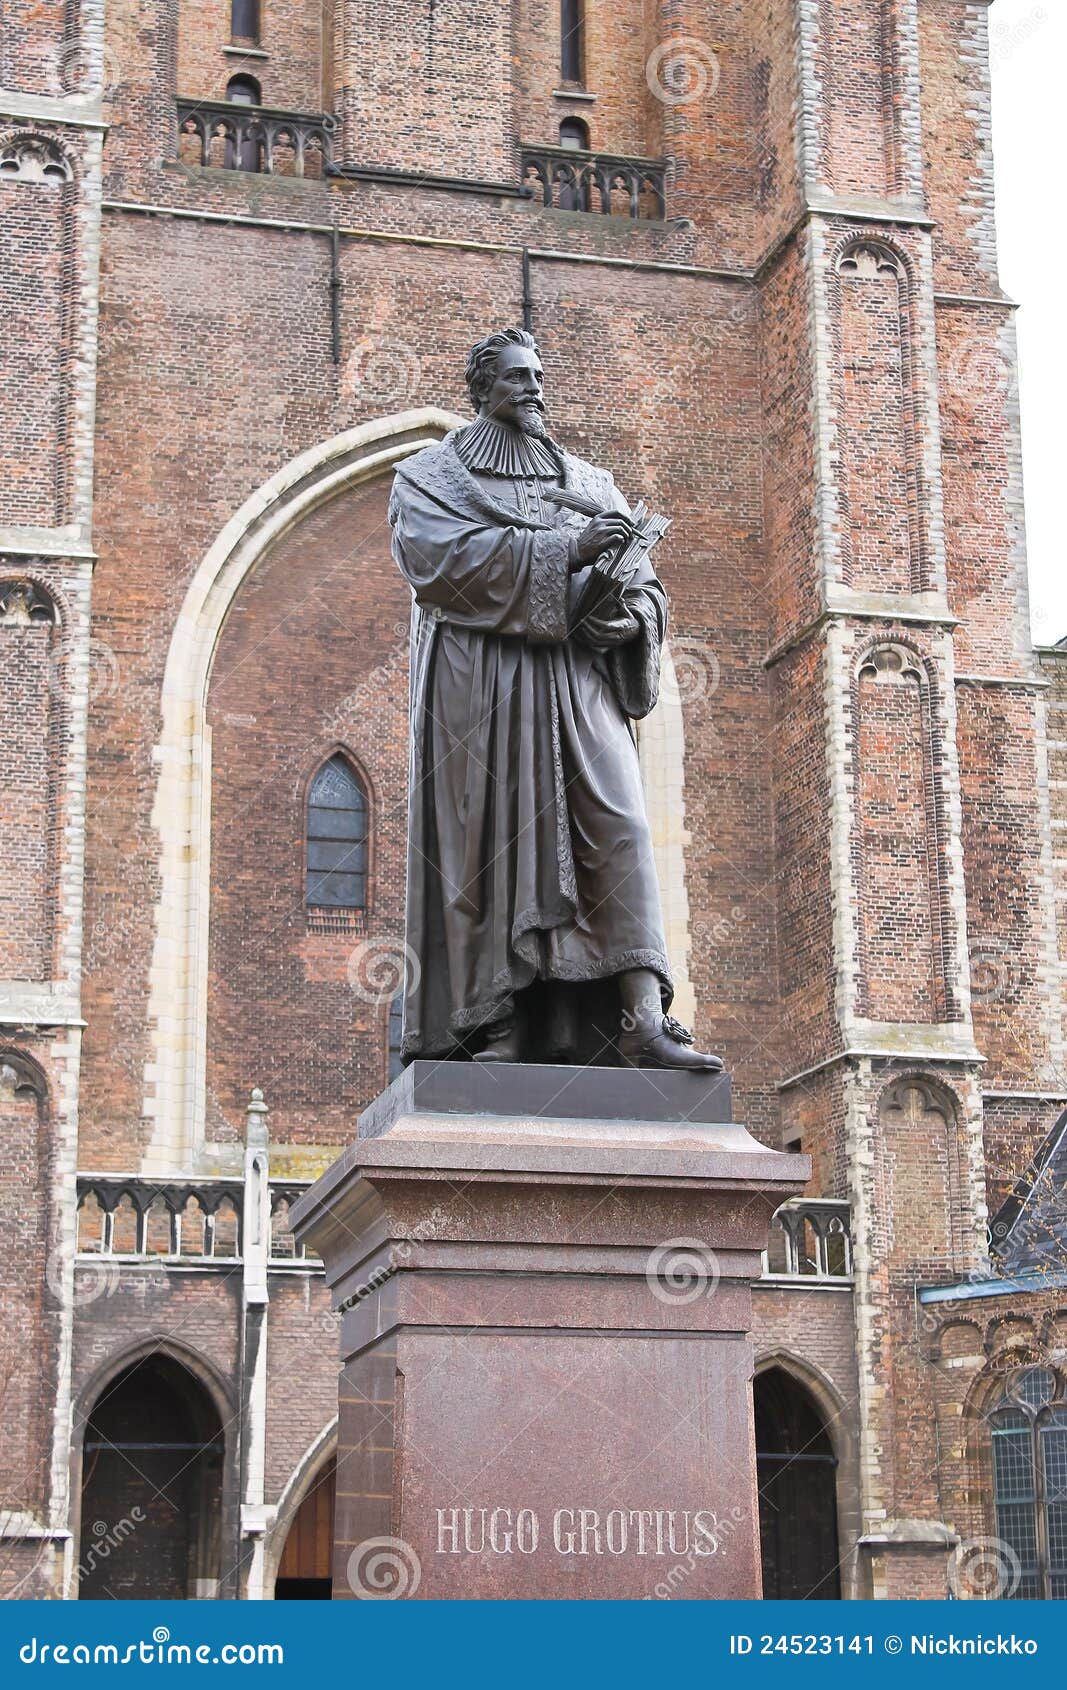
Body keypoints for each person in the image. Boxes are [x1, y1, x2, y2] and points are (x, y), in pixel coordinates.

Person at [389, 326, 721, 1071]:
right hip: (483, 685)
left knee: (621, 826)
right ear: (481, 389)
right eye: (515, 378)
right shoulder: (431, 478)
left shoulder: (591, 483)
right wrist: (566, 551)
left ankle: (641, 1020)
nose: (533, 388)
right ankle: (496, 1024)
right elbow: (438, 564)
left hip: (576, 682)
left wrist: (623, 611)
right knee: (493, 849)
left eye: (537, 376)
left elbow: (645, 592)